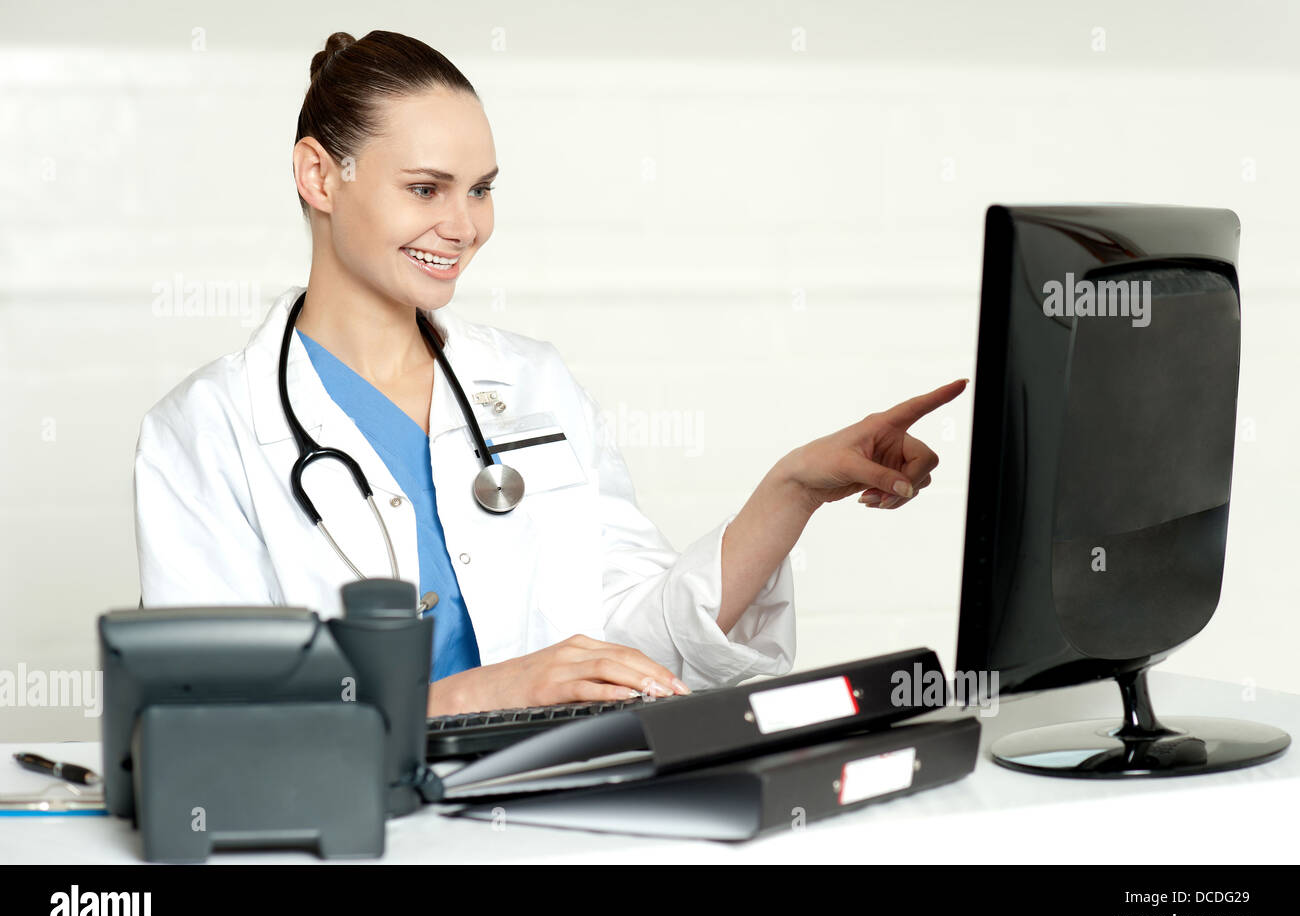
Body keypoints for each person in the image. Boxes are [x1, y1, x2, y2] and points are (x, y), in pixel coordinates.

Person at [133, 30, 966, 718]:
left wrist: (791, 490)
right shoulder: (206, 431)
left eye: (482, 190)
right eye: (426, 188)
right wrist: (487, 692)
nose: (464, 226)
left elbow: (640, 641)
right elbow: (220, 718)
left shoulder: (531, 383)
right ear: (320, 175)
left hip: (548, 802)